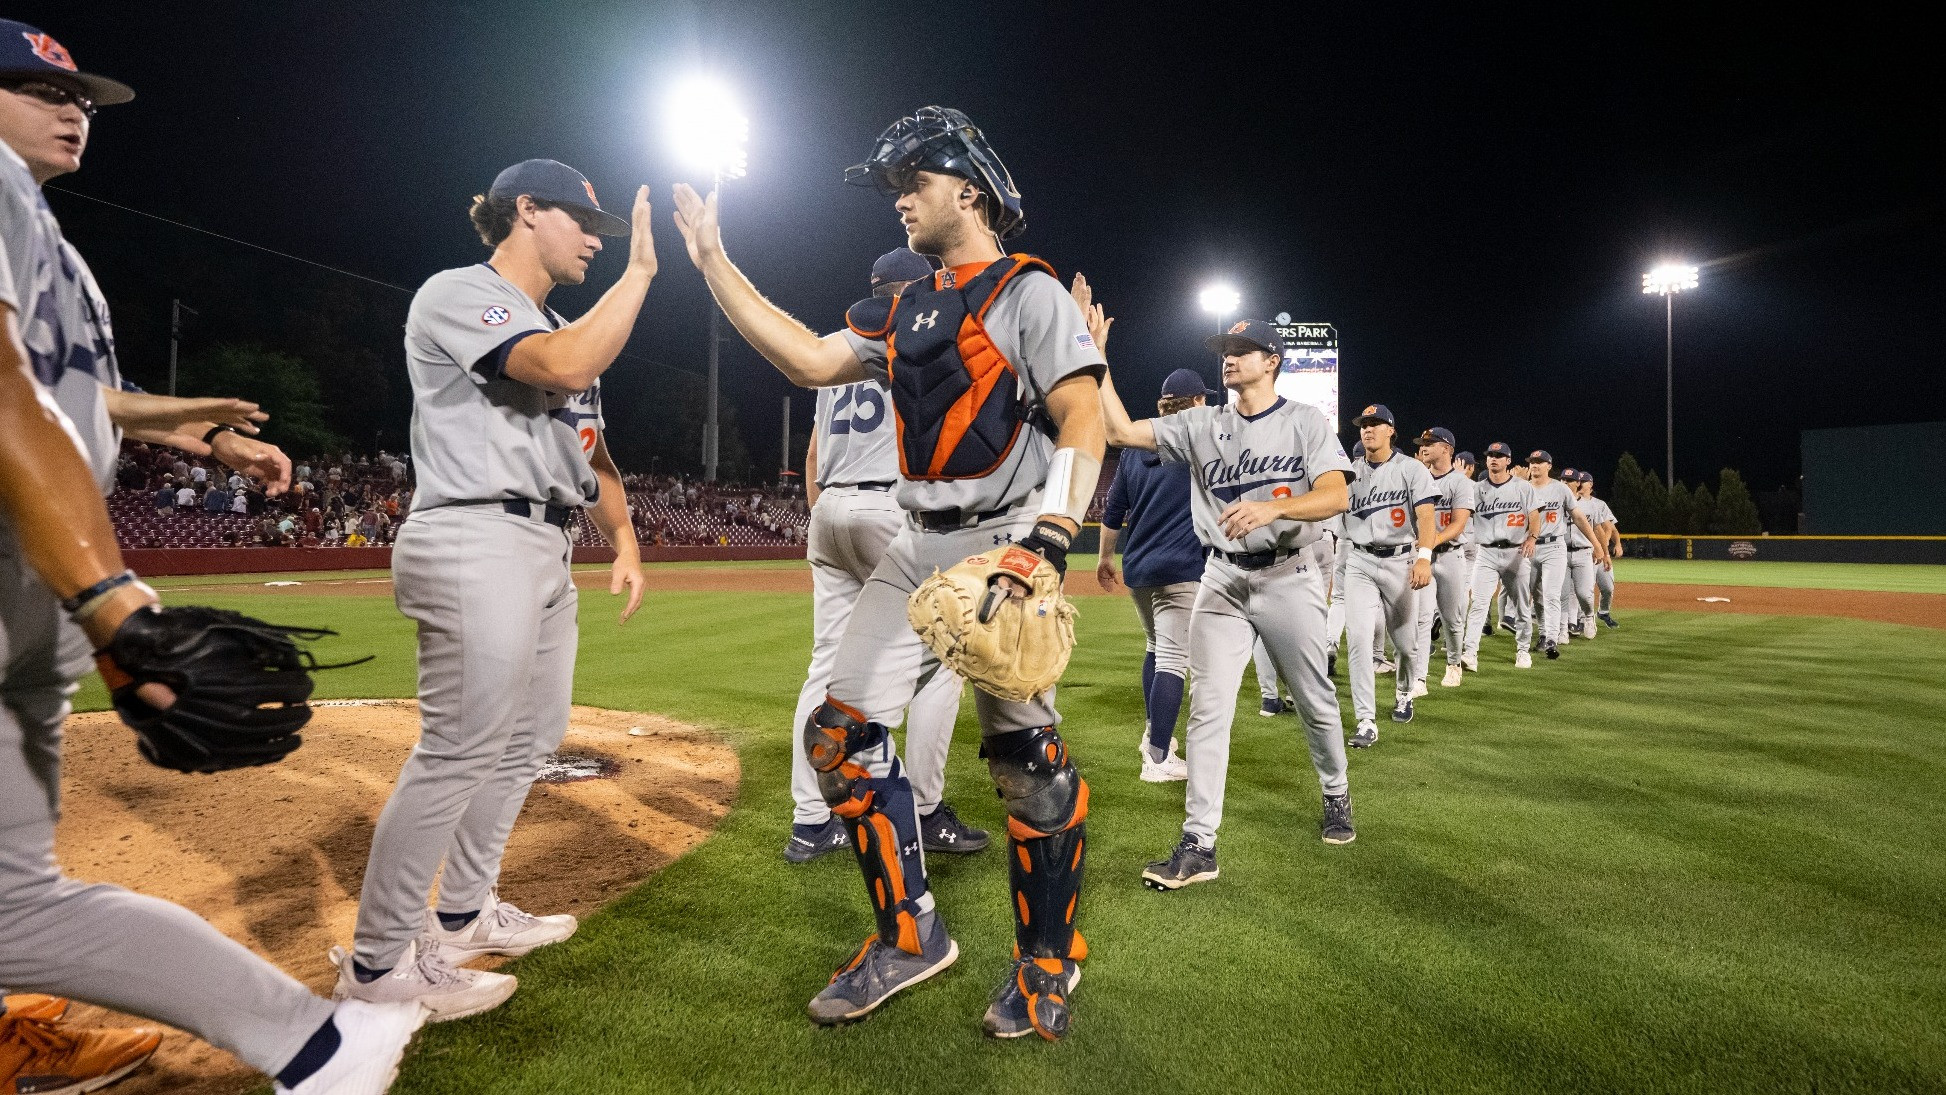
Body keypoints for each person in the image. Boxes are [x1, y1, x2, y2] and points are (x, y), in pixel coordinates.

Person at [0, 21, 423, 1093]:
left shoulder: (49, 241)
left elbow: (62, 393)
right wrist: (111, 600)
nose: (73, 110)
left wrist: (186, 425)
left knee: (9, 901)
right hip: (44, 566)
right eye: (38, 90)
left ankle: (315, 1045)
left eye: (81, 97)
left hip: (31, 569)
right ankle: (316, 1044)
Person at [672, 105, 1105, 1039]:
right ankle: (912, 936)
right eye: (895, 186)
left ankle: (1048, 960)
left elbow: (1083, 419)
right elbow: (807, 359)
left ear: (970, 192)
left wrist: (1049, 539)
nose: (900, 199)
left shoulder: (1030, 293)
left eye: (915, 181)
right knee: (839, 737)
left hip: (1005, 544)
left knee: (1028, 765)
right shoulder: (908, 307)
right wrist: (712, 261)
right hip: (913, 543)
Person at [334, 159, 654, 1019]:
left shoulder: (562, 325)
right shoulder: (458, 292)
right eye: (584, 222)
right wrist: (641, 274)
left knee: (530, 738)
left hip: (546, 543)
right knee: (457, 748)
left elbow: (594, 453)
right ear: (527, 210)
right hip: (474, 532)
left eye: (607, 234)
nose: (596, 241)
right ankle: (377, 962)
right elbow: (563, 364)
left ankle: (464, 911)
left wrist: (624, 538)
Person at [1093, 309, 1356, 889]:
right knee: (1209, 708)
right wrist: (1098, 358)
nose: (1229, 359)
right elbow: (1120, 433)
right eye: (1225, 351)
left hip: (1288, 575)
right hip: (1220, 578)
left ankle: (1336, 791)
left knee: (1314, 700)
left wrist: (1273, 507)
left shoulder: (1304, 421)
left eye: (1242, 350)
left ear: (1272, 361)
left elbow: (1336, 494)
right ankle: (1199, 844)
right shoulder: (1201, 423)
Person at [783, 247, 979, 864]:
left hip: (831, 508)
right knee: (942, 659)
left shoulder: (841, 342)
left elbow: (813, 451)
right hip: (890, 508)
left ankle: (811, 821)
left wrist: (826, 510)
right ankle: (924, 809)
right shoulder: (918, 336)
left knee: (826, 665)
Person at [1096, 368, 1213, 781]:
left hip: (1139, 568)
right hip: (1181, 566)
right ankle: (1159, 759)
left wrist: (1104, 558)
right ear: (1196, 402)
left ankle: (1152, 736)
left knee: (1155, 647)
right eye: (1203, 399)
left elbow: (1114, 510)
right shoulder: (1198, 440)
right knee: (1173, 660)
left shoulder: (1134, 448)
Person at [1337, 405, 1437, 747]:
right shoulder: (1348, 473)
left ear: (1391, 430)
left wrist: (1424, 558)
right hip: (1360, 561)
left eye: (1376, 424)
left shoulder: (1411, 469)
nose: (1368, 429)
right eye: (1364, 425)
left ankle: (1405, 692)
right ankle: (1366, 720)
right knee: (1359, 640)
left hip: (1400, 561)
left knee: (1406, 646)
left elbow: (1426, 517)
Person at [1461, 443, 1543, 669]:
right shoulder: (1476, 489)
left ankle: (1523, 650)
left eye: (1499, 456)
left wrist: (1532, 537)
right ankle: (1470, 653)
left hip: (1516, 552)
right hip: (1486, 553)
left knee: (1521, 606)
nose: (1494, 459)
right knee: (1478, 604)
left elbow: (1534, 516)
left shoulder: (1522, 487)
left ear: (1508, 461)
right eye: (1490, 455)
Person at [1408, 427, 1475, 691]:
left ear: (1446, 449)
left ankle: (1454, 664)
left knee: (1452, 619)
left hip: (1450, 556)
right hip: (1422, 557)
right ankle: (1419, 677)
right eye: (1422, 443)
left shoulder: (1460, 481)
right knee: (1422, 618)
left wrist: (1433, 539)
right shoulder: (1417, 477)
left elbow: (1458, 524)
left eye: (1430, 443)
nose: (1423, 447)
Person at [1523, 451, 1606, 659]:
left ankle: (1552, 639)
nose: (1534, 465)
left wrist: (1596, 544)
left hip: (1554, 546)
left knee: (1552, 594)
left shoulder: (1560, 489)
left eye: (1539, 462)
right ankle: (1543, 633)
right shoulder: (1523, 488)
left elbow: (1578, 517)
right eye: (1532, 462)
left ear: (1549, 466)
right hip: (1530, 547)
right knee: (1535, 595)